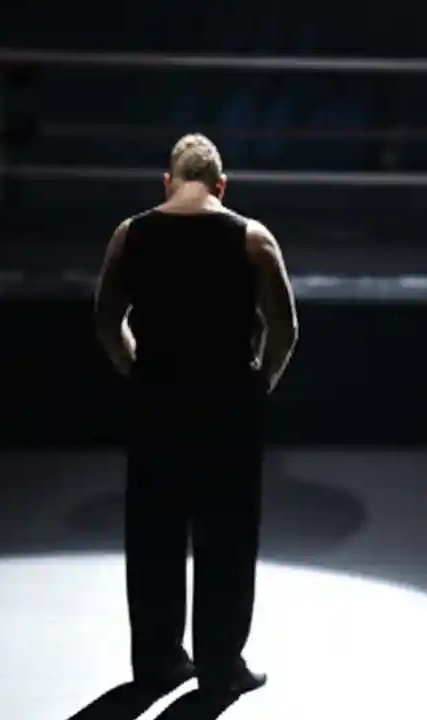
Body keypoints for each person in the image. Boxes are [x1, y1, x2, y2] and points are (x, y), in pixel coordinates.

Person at [94, 133, 299, 697]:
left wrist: (137, 370)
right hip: (228, 402)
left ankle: (159, 659)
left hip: (159, 398)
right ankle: (220, 662)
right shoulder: (253, 239)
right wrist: (262, 383)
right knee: (227, 536)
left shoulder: (130, 235)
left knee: (154, 533)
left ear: (167, 181)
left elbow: (108, 320)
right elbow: (285, 328)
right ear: (221, 184)